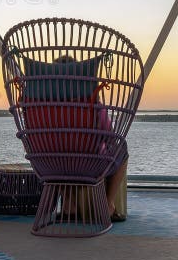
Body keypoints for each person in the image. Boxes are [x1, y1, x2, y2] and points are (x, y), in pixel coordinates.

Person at [53, 54, 127, 222]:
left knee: (53, 154)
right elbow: (110, 135)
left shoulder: (38, 106)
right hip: (90, 164)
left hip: (51, 165)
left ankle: (69, 206)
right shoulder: (91, 104)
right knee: (122, 147)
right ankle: (107, 205)